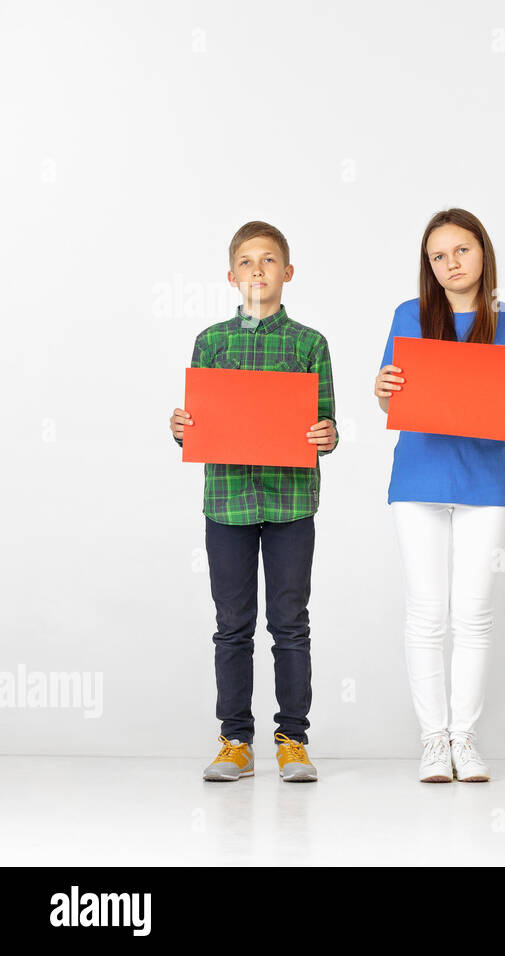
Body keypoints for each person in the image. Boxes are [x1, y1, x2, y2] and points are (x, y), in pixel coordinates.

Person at [374, 208, 505, 783]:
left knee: (473, 613)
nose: (451, 263)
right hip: (419, 477)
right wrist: (381, 388)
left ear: (483, 253)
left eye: (461, 250)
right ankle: (432, 740)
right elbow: (390, 398)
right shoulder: (409, 315)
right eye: (438, 256)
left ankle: (464, 739)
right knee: (426, 612)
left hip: (485, 481)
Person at [170, 220, 337, 783]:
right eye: (246, 261)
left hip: (291, 501)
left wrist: (328, 435)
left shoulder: (310, 344)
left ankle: (293, 738)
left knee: (290, 623)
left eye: (268, 261)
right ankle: (234, 740)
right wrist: (181, 427)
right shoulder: (211, 342)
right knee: (232, 625)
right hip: (228, 502)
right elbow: (200, 421)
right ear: (231, 276)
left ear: (287, 273)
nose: (257, 270)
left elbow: (327, 423)